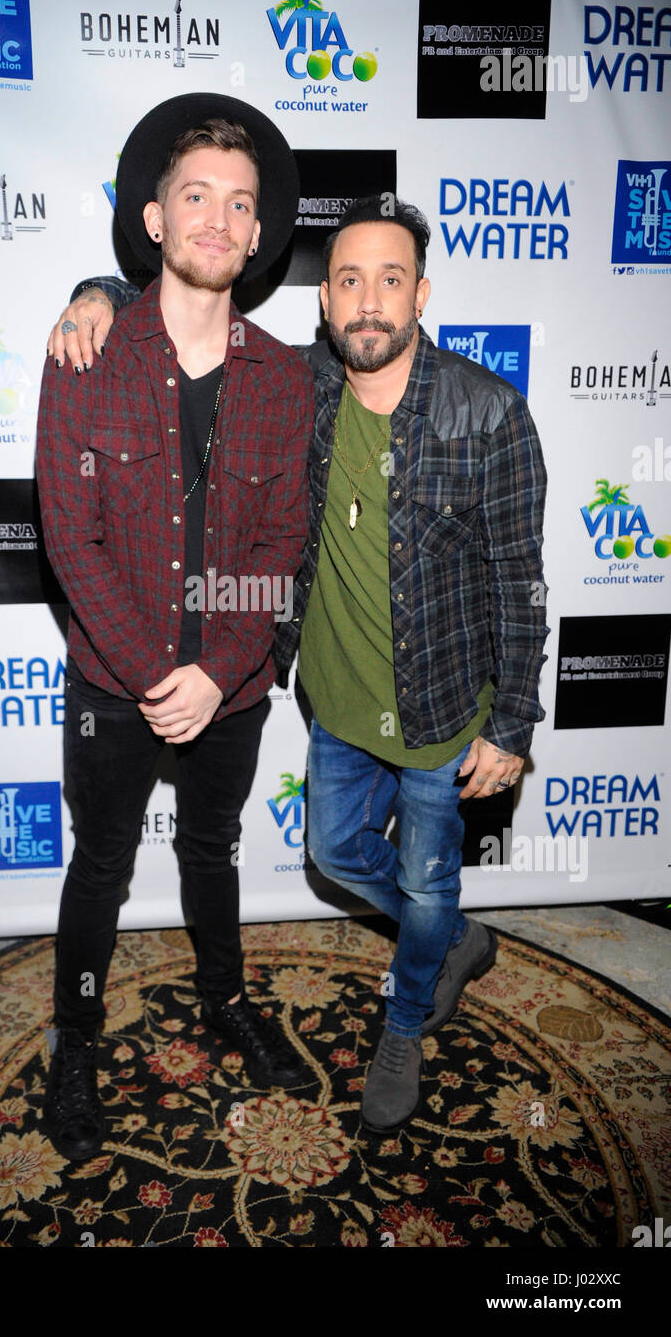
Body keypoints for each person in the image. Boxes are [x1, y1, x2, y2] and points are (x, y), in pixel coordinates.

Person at [47, 193, 548, 1135]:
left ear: (421, 294)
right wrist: (94, 292)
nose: (367, 302)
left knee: (428, 885)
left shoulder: (489, 415)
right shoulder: (299, 386)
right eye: (347, 280)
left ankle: (405, 1023)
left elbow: (521, 580)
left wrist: (513, 722)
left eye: (389, 281)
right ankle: (453, 942)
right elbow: (190, 304)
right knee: (332, 853)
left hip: (446, 708)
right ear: (324, 304)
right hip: (340, 706)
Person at [36, 93, 314, 1162]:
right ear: (154, 219)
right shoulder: (84, 352)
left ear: (256, 234)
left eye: (238, 204)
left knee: (213, 847)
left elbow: (280, 545)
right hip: (116, 683)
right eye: (195, 195)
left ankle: (225, 999)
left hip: (234, 688)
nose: (216, 218)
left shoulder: (284, 377)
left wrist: (219, 671)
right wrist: (164, 674)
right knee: (100, 864)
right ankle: (78, 1036)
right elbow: (71, 539)